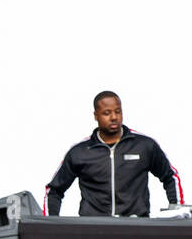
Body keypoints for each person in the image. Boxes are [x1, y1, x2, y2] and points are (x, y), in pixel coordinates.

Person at [45, 91, 182, 217]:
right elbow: (54, 190)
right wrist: (50, 226)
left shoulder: (144, 145)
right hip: (93, 230)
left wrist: (176, 213)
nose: (114, 117)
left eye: (118, 111)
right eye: (106, 113)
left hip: (136, 227)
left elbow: (170, 177)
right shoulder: (80, 152)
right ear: (96, 115)